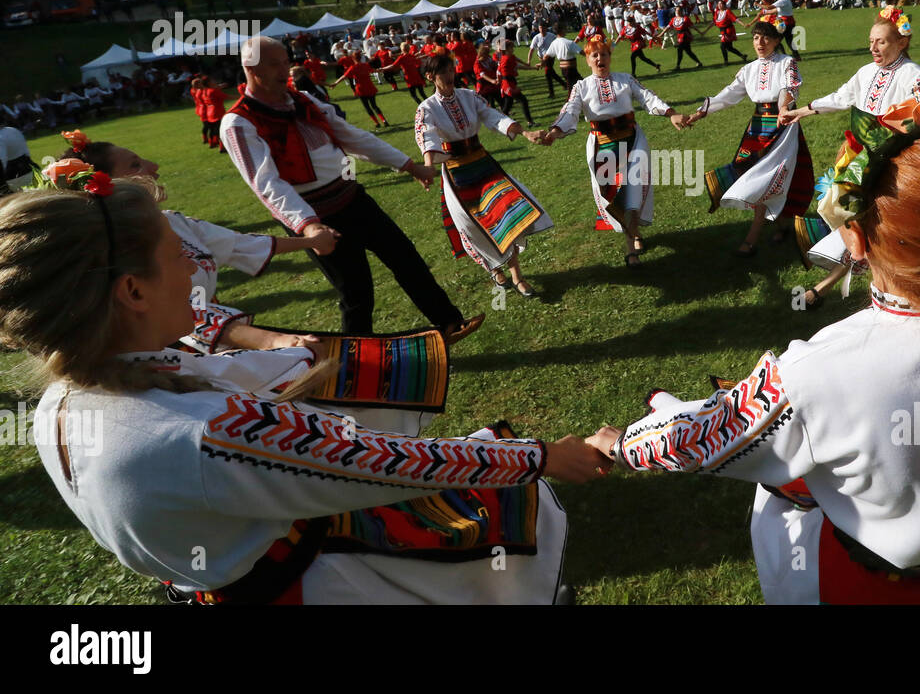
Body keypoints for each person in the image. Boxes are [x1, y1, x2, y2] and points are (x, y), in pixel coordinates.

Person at [0, 180, 610, 605]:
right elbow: (392, 462)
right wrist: (545, 456)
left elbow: (213, 356)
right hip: (304, 587)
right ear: (132, 292)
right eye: (177, 257)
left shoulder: (68, 394)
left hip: (236, 569)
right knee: (497, 539)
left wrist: (287, 347)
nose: (193, 269)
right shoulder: (197, 433)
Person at [589, 116, 920, 603]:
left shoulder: (820, 371)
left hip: (876, 590)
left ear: (856, 240)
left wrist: (623, 443)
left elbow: (702, 438)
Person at [221, 37, 481, 341]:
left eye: (285, 60)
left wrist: (408, 165)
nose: (286, 69)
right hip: (316, 218)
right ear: (252, 69)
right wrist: (308, 227)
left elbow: (351, 136)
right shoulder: (238, 123)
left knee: (405, 257)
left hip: (351, 198)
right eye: (275, 63)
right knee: (356, 291)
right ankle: (357, 366)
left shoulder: (304, 100)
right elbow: (266, 184)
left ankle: (448, 323)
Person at [55, 132, 332, 353]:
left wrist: (311, 241)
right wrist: (271, 341)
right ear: (108, 185)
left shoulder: (173, 222)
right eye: (135, 165)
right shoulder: (119, 253)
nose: (154, 167)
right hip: (169, 362)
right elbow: (176, 311)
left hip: (221, 345)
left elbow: (239, 244)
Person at [780, 7, 920, 306]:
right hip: (856, 156)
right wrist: (800, 112)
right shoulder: (866, 73)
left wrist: (892, 130)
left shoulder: (912, 74)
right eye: (871, 41)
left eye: (882, 42)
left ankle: (839, 282)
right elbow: (840, 97)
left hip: (892, 159)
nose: (873, 48)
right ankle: (851, 274)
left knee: (865, 218)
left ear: (901, 43)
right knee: (845, 212)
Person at [527, 36, 689, 268]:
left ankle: (630, 247)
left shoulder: (625, 80)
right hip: (601, 145)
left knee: (633, 192)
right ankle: (633, 234)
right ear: (588, 60)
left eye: (604, 54)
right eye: (595, 55)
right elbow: (570, 110)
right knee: (612, 195)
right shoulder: (581, 86)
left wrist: (670, 113)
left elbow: (647, 97)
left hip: (633, 142)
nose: (600, 58)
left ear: (610, 57)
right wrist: (554, 132)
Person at [415, 55, 551, 297]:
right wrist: (428, 166)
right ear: (430, 77)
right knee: (474, 226)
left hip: (482, 163)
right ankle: (494, 269)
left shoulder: (468, 96)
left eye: (450, 70)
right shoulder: (427, 108)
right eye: (442, 73)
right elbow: (428, 136)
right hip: (457, 171)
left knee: (507, 211)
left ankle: (518, 276)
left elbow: (494, 117)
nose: (449, 76)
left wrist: (524, 132)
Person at [688, 15, 814, 255]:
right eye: (756, 37)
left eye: (766, 37)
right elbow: (728, 94)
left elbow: (790, 87)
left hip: (782, 125)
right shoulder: (748, 69)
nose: (760, 42)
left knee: (770, 177)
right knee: (756, 173)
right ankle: (782, 223)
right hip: (757, 127)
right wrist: (701, 111)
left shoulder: (787, 62)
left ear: (777, 40)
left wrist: (785, 107)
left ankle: (752, 238)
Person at [327, 50, 389, 128]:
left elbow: (344, 76)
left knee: (367, 107)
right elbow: (373, 71)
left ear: (353, 59)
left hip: (361, 89)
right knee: (374, 105)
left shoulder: (352, 68)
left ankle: (377, 123)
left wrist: (335, 83)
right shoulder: (366, 65)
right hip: (370, 87)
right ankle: (384, 120)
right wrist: (380, 69)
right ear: (360, 58)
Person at [712, 0, 746, 65]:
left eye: (721, 4)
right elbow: (714, 21)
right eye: (718, 4)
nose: (719, 5)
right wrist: (705, 31)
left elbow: (735, 19)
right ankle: (742, 56)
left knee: (722, 46)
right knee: (729, 47)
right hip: (722, 31)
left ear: (724, 5)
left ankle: (726, 61)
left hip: (728, 31)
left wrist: (743, 24)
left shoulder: (727, 11)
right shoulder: (717, 12)